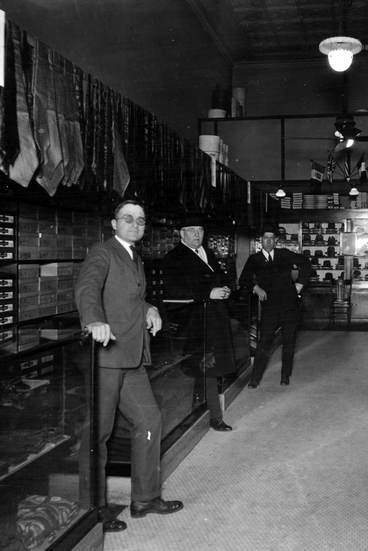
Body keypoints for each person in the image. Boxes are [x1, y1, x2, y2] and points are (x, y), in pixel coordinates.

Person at [74, 200, 183, 533]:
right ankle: (93, 510)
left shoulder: (135, 257)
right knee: (99, 433)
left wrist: (151, 308)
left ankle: (145, 498)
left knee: (149, 419)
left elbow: (131, 297)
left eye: (140, 220)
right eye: (128, 219)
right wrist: (93, 320)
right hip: (107, 358)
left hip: (132, 357)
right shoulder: (102, 252)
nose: (135, 224)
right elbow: (87, 288)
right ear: (113, 223)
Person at [162, 215, 236, 432]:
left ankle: (206, 411)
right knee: (204, 369)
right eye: (191, 230)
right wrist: (208, 293)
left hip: (215, 318)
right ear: (181, 233)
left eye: (200, 230)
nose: (197, 235)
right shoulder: (172, 258)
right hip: (195, 322)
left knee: (212, 369)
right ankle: (212, 416)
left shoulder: (208, 253)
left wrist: (225, 288)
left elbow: (220, 277)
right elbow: (175, 291)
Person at [238, 224, 311, 387]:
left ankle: (285, 376)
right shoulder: (254, 259)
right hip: (270, 306)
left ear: (276, 240)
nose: (269, 241)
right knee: (264, 341)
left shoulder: (284, 254)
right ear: (261, 240)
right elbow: (243, 280)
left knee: (288, 341)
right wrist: (255, 287)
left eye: (272, 238)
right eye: (265, 238)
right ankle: (255, 378)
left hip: (290, 304)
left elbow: (306, 263)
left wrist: (300, 284)